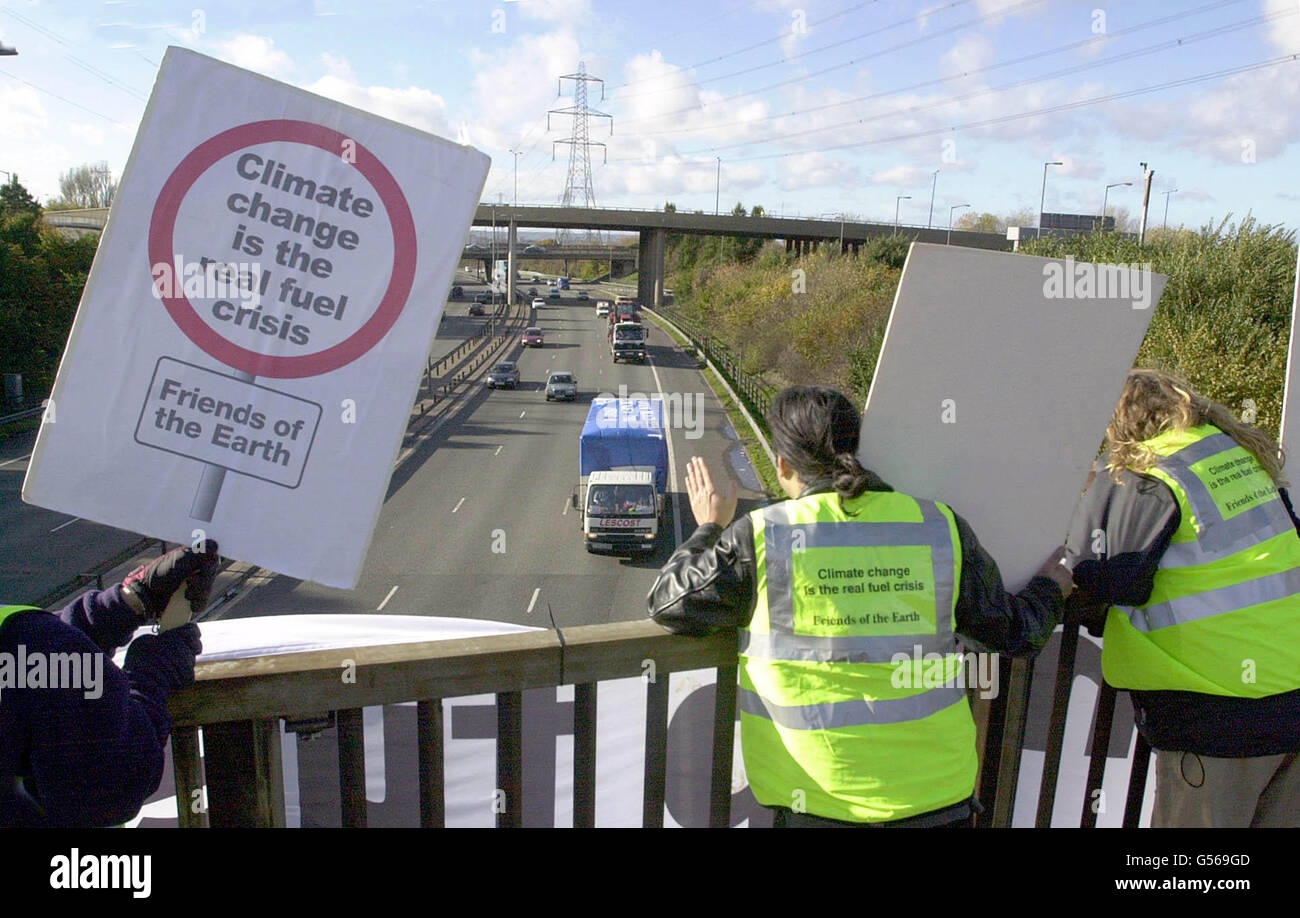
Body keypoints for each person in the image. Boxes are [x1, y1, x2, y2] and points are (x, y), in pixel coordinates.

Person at [646, 386, 1073, 827]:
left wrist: (710, 527)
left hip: (820, 803)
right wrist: (1049, 587)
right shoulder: (938, 525)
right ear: (855, 448)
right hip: (940, 800)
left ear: (782, 464)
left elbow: (668, 603)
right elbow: (1015, 633)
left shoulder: (763, 536)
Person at [1064, 369, 1300, 828]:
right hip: (1290, 705)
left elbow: (1109, 577)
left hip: (1218, 720)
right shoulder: (1235, 457)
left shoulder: (1149, 472)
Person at [0, 542, 219, 827]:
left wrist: (123, 605)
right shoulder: (29, 640)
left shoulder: (29, 642)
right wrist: (152, 677)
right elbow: (114, 781)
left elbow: (34, 682)